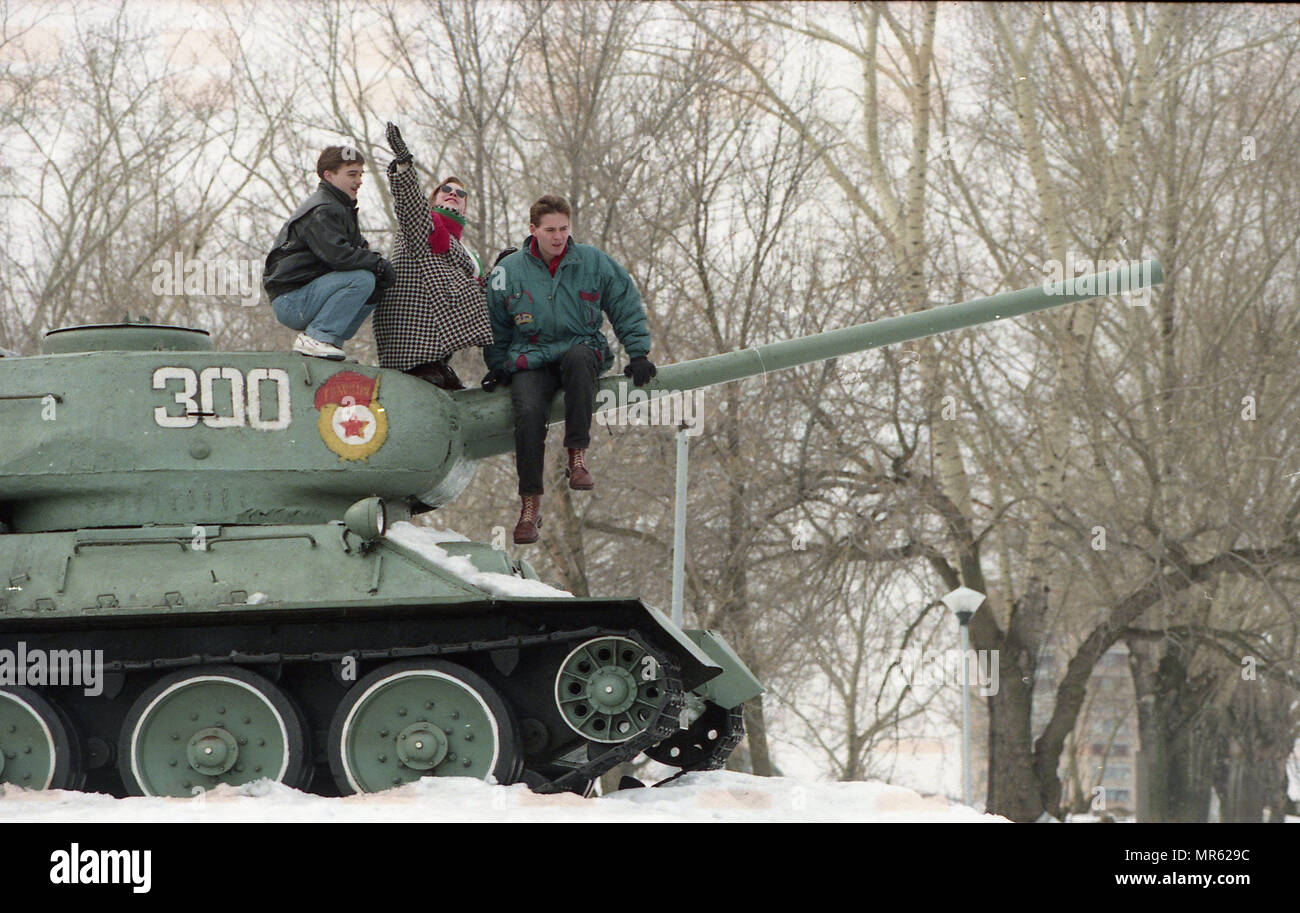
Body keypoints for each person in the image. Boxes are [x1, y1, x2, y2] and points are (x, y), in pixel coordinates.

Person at [482, 194, 657, 544]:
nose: (558, 236)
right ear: (533, 230)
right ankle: (530, 506)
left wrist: (638, 352)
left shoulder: (592, 262)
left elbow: (624, 301)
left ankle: (577, 456)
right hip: (530, 356)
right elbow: (495, 322)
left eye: (563, 228)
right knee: (528, 411)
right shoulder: (509, 271)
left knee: (579, 360)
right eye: (550, 230)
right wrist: (498, 364)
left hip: (580, 347)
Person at [372, 123, 492, 389]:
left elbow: (475, 296)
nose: (453, 194)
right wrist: (404, 165)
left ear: (464, 206)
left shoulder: (466, 254)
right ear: (433, 199)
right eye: (446, 190)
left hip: (437, 353)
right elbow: (410, 201)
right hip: (408, 346)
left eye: (460, 194)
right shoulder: (423, 226)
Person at [263, 145, 395, 360]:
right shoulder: (322, 209)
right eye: (352, 174)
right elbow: (339, 256)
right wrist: (377, 264)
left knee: (376, 282)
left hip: (310, 294)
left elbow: (359, 251)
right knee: (362, 278)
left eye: (361, 174)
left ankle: (330, 342)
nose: (359, 180)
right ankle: (317, 338)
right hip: (291, 299)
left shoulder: (341, 208)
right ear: (329, 175)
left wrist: (381, 269)